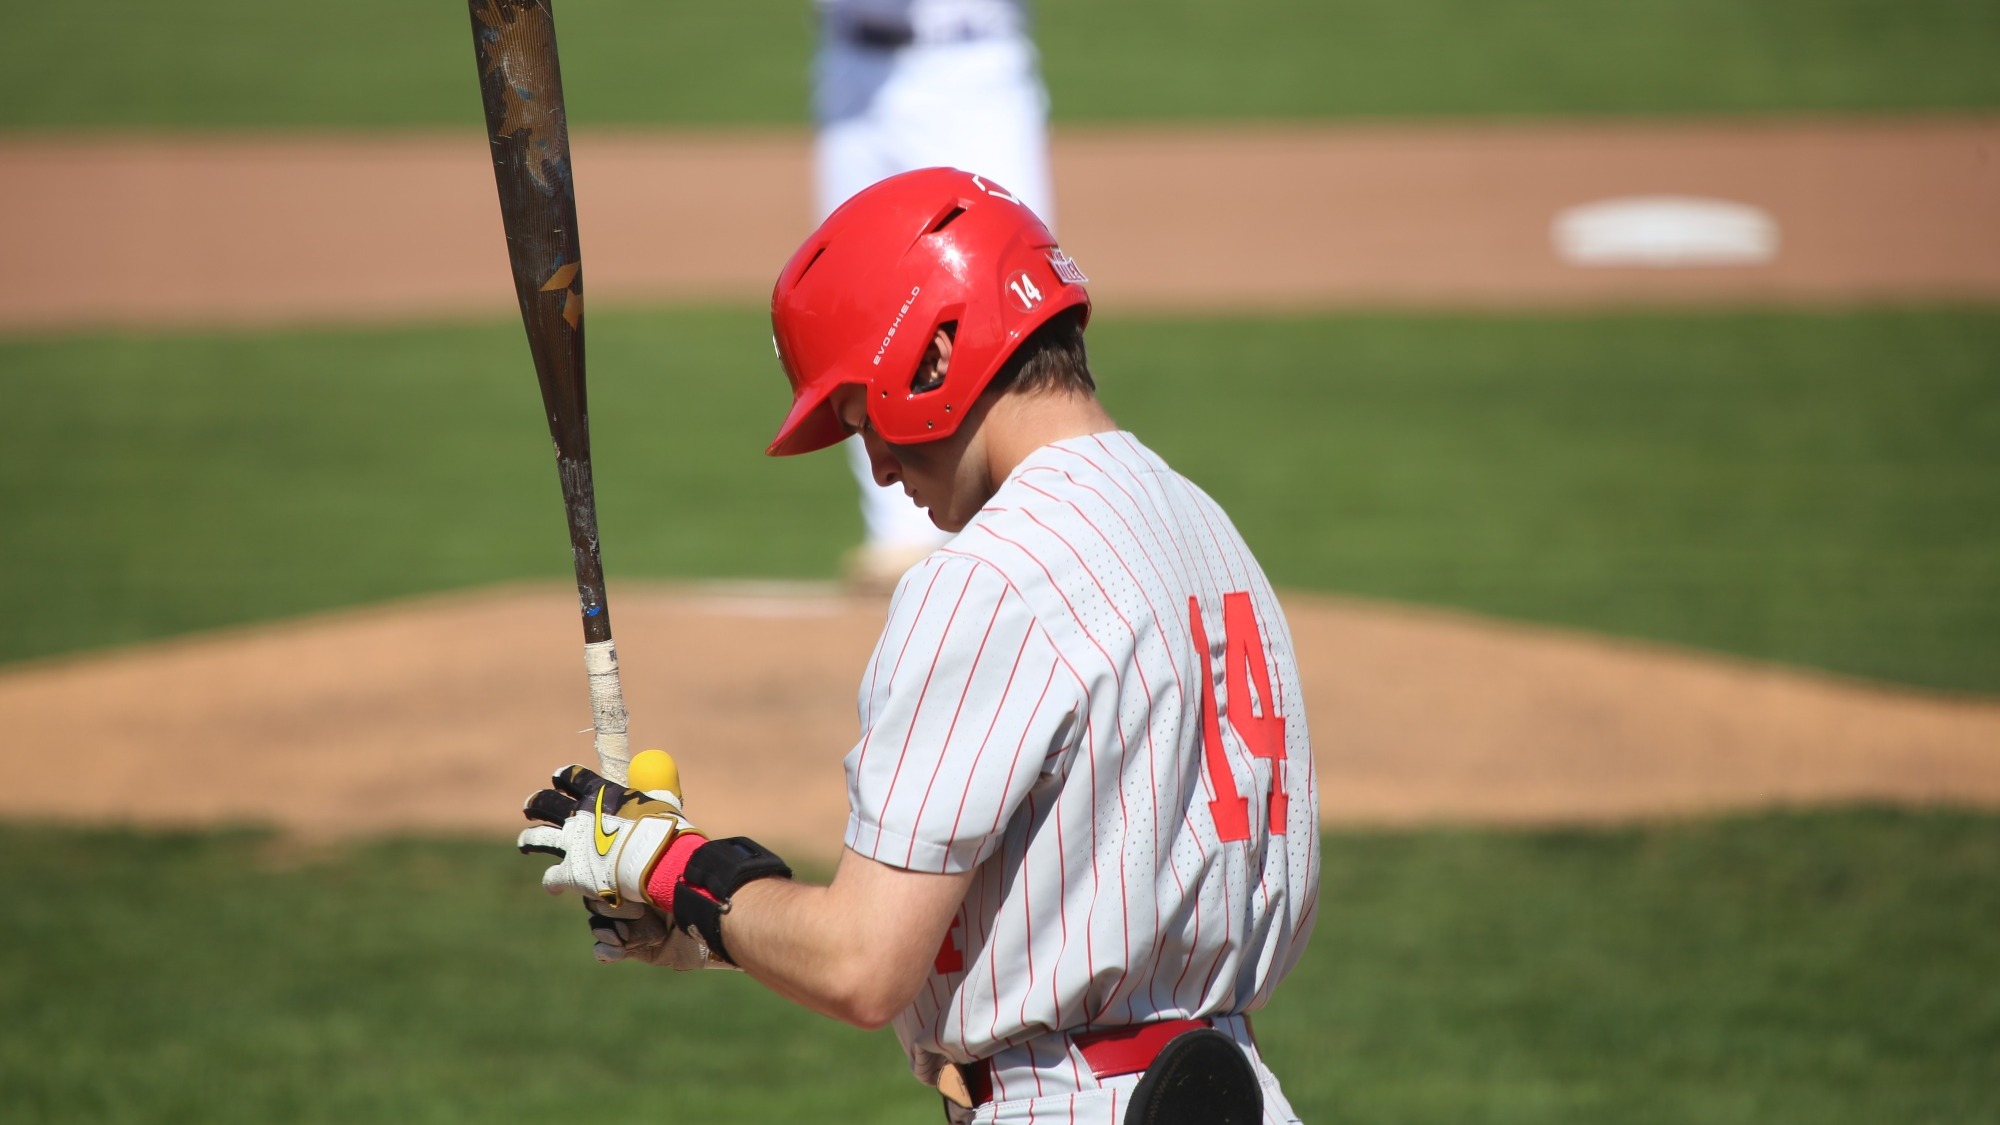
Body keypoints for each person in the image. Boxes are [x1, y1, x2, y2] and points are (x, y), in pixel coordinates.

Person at [519, 168, 1319, 1124]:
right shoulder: (1204, 526)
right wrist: (712, 925)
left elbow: (862, 965)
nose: (883, 465)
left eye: (863, 418)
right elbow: (1072, 884)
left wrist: (667, 865)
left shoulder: (993, 572)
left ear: (936, 353)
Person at [811, 0, 1056, 591]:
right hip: (850, 68)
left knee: (1017, 298)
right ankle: (898, 537)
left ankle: (1036, 522)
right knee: (854, 298)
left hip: (975, 67)